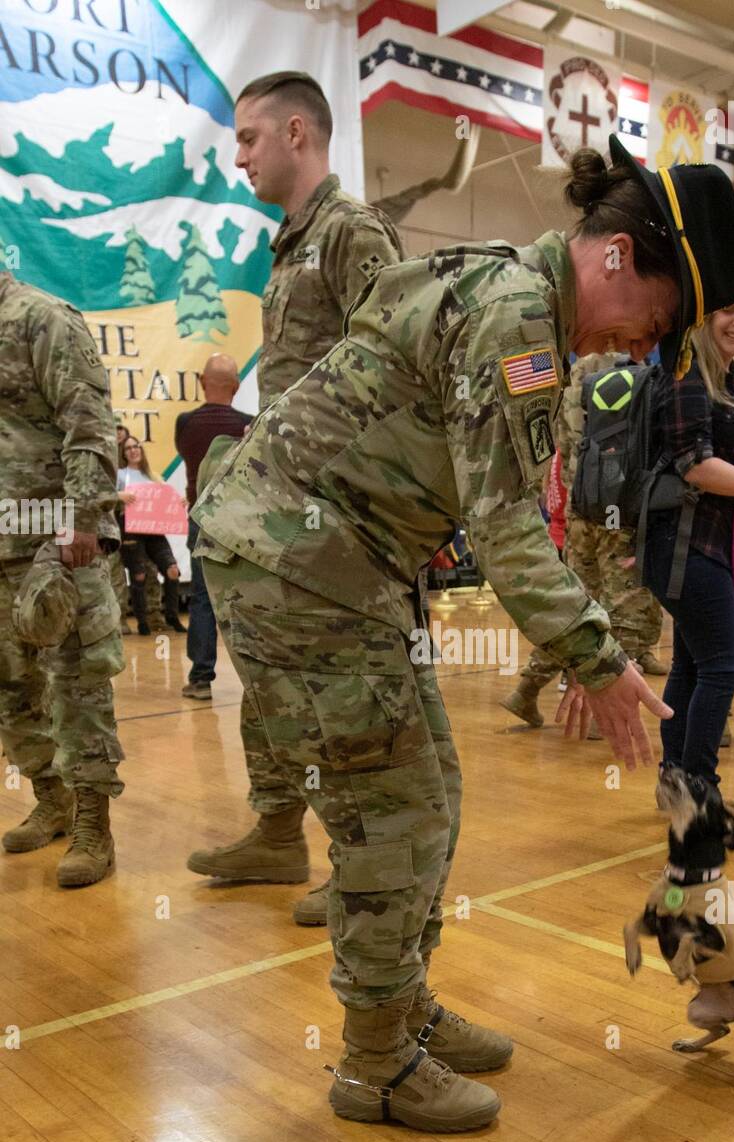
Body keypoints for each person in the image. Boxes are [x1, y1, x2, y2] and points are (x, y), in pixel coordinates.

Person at [191, 135, 734, 1132]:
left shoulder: (500, 279)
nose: (642, 350)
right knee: (391, 812)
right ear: (619, 257)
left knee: (432, 790)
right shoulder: (516, 322)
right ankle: (373, 1063)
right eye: (655, 323)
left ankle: (401, 1004)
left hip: (341, 563)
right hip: (303, 566)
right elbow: (501, 525)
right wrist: (598, 655)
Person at [186, 71, 403, 930]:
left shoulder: (353, 234)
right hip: (283, 511)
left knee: (339, 707)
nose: (237, 156)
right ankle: (278, 832)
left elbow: (396, 369)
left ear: (298, 134)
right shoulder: (292, 243)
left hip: (337, 520)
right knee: (274, 687)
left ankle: (361, 868)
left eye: (248, 138)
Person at [641, 267, 734, 832]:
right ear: (704, 315)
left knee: (695, 664)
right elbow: (693, 463)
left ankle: (677, 783)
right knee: (723, 663)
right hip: (682, 545)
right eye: (729, 310)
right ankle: (699, 797)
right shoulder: (687, 372)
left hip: (707, 543)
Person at [0, 269, 124, 886]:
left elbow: (89, 422)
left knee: (79, 686)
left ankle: (93, 827)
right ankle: (52, 800)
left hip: (52, 542)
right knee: (12, 690)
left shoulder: (41, 317)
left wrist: (81, 520)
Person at [501, 348, 667, 733]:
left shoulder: (572, 373)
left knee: (574, 610)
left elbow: (558, 440)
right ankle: (598, 714)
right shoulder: (641, 375)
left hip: (581, 505)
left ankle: (526, 689)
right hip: (621, 508)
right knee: (623, 612)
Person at [175, 354, 252, 699]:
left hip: (201, 520)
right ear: (236, 388)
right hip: (241, 522)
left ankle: (201, 678)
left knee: (203, 600)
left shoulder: (185, 423)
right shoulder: (250, 424)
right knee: (248, 599)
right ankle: (257, 679)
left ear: (201, 381)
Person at [118, 438, 185, 637]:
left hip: (154, 530)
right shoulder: (121, 474)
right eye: (128, 448)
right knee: (139, 575)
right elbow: (106, 493)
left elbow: (169, 497)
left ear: (141, 449)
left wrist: (180, 501)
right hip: (131, 529)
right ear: (124, 453)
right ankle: (142, 622)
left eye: (136, 446)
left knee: (172, 570)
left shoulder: (153, 476)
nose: (132, 450)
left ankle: (172, 616)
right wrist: (119, 495)